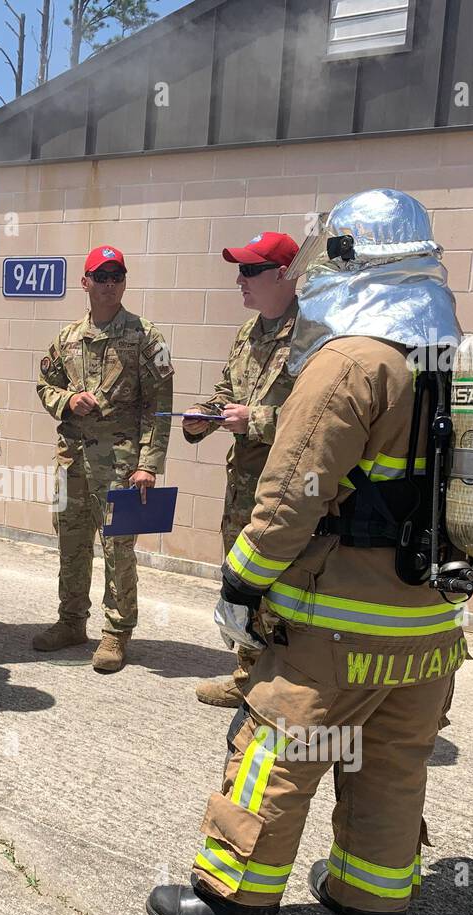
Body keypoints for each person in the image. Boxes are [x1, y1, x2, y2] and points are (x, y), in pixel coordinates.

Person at [146, 190, 467, 915]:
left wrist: (240, 584)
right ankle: (373, 898)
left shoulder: (350, 362)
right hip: (429, 626)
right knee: (391, 759)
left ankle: (236, 899)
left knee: (275, 748)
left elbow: (291, 494)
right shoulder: (455, 356)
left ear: (349, 261)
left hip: (336, 623)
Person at [32, 245, 174, 673]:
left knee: (118, 550)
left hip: (122, 465)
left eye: (118, 276)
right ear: (86, 282)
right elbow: (44, 384)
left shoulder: (144, 337)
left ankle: (116, 633)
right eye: (102, 276)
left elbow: (159, 405)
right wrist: (67, 399)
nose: (110, 284)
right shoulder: (68, 338)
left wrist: (149, 464)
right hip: (73, 462)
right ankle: (71, 621)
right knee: (71, 544)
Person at [182, 232, 300, 708]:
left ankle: (281, 683)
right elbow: (226, 392)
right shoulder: (248, 333)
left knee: (285, 584)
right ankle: (248, 674)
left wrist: (257, 419)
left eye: (250, 270)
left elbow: (325, 419)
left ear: (284, 274)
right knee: (241, 578)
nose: (240, 280)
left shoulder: (317, 337)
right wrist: (203, 415)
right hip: (244, 486)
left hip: (290, 488)